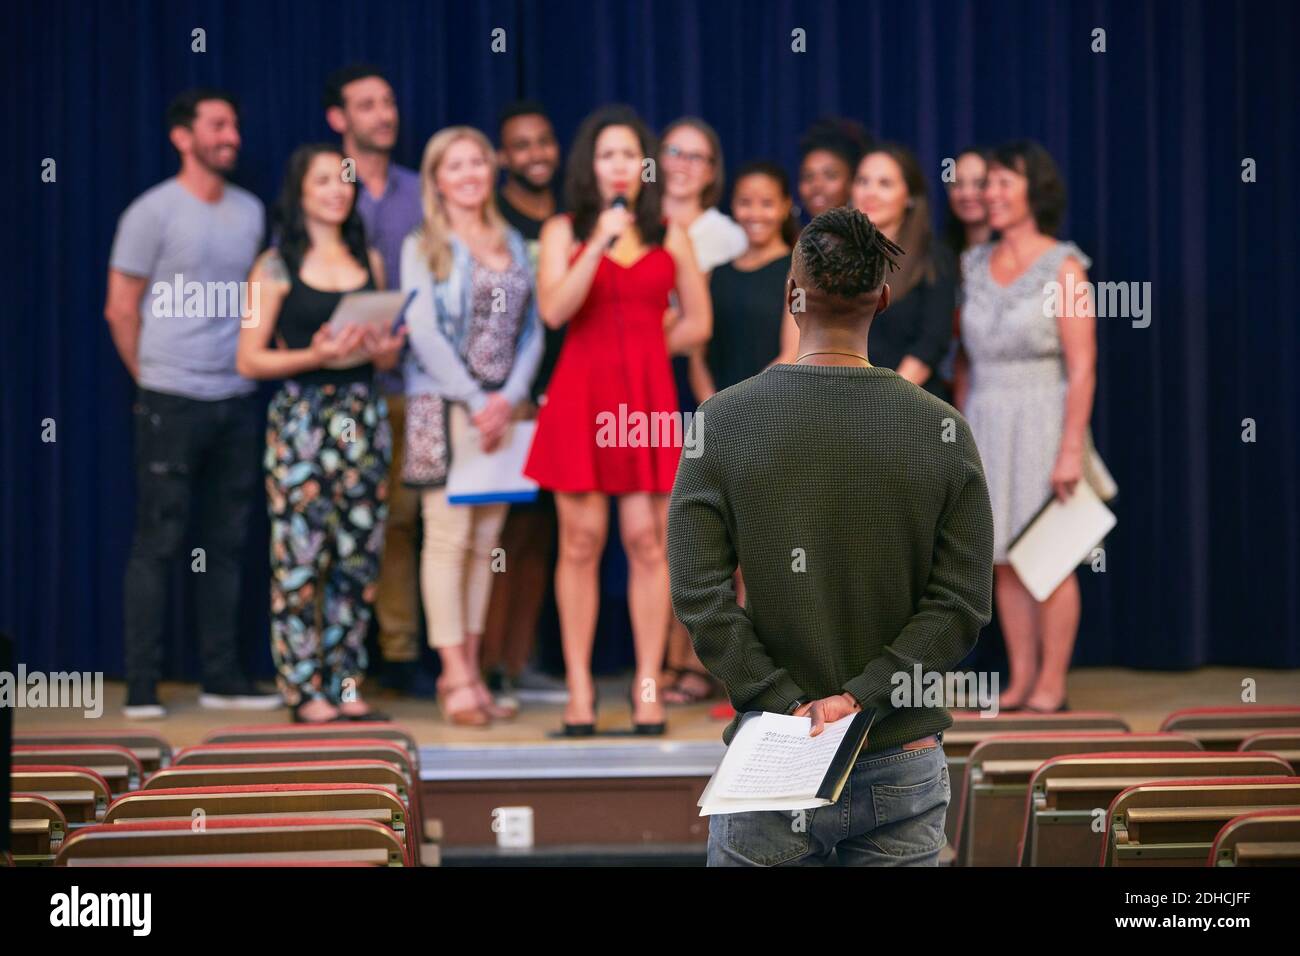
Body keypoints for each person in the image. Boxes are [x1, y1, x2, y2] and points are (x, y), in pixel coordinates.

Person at [668, 206, 994, 866]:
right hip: (899, 757)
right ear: (884, 296)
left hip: (773, 759)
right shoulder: (943, 429)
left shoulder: (720, 421)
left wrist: (785, 704)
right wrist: (860, 699)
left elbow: (700, 597)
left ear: (792, 296)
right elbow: (959, 606)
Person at [523, 104, 711, 736]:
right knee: (580, 542)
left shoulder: (671, 232)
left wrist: (650, 345)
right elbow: (555, 310)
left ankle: (646, 686)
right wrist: (598, 242)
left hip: (648, 400)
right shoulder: (562, 230)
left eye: (630, 154)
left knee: (647, 542)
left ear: (645, 165)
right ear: (591, 166)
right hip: (580, 395)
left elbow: (698, 321)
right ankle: (579, 689)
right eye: (607, 155)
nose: (620, 165)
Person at [106, 88, 280, 718]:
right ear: (183, 136)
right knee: (158, 540)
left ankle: (223, 677)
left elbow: (260, 298)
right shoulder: (151, 212)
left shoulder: (251, 211)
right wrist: (153, 378)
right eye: (217, 124)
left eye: (234, 123)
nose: (231, 134)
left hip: (235, 397)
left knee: (228, 541)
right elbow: (121, 307)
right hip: (170, 399)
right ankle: (143, 686)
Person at [237, 143, 406, 724]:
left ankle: (347, 682)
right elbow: (249, 360)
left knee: (357, 559)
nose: (338, 190)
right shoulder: (276, 262)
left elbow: (382, 354)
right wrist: (314, 353)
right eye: (323, 181)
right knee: (300, 559)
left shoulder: (369, 258)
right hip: (303, 419)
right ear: (300, 191)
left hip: (363, 415)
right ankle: (303, 687)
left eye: (345, 180)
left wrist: (383, 350)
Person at [400, 127, 543, 726]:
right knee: (447, 539)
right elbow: (423, 330)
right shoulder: (423, 244)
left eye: (476, 163)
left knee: (487, 547)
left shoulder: (511, 238)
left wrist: (507, 399)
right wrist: (473, 398)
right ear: (436, 178)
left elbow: (534, 329)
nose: (467, 174)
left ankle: (477, 670)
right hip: (445, 406)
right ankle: (453, 674)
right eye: (453, 165)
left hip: (502, 414)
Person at [955, 140, 1096, 714]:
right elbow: (962, 362)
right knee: (1002, 556)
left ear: (1032, 190)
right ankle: (1021, 677)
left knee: (1050, 555)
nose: (990, 193)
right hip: (986, 414)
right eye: (986, 183)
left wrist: (1070, 451)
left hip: (1043, 414)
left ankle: (1051, 684)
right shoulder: (970, 263)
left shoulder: (1063, 264)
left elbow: (1083, 366)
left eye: (1002, 182)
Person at [663, 160, 799, 708]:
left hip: (773, 423)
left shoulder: (796, 270)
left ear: (786, 206)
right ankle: (700, 668)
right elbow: (698, 351)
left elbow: (792, 353)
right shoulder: (716, 272)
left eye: (768, 202)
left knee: (762, 554)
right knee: (712, 551)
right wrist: (711, 407)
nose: (756, 213)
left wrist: (746, 412)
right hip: (714, 422)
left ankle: (761, 680)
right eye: (746, 202)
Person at [323, 64, 429, 697]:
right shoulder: (323, 184)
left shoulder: (421, 191)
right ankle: (335, 660)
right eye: (367, 104)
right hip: (335, 385)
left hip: (411, 382)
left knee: (401, 521)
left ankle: (398, 652)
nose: (383, 115)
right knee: (335, 522)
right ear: (339, 118)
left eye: (388, 102)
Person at [480, 100, 568, 705]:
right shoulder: (496, 218)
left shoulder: (570, 217)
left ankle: (523, 658)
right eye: (521, 144)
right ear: (502, 156)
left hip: (572, 389)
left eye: (544, 141)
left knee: (545, 531)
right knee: (499, 531)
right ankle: (488, 663)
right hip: (513, 394)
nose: (535, 154)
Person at [850, 143, 956, 401]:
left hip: (909, 404)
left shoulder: (932, 257)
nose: (870, 192)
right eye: (863, 181)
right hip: (844, 404)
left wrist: (884, 402)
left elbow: (931, 344)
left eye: (885, 183)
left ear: (909, 197)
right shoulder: (836, 254)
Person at [796, 117, 873, 222]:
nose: (817, 185)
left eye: (830, 176)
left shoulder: (869, 236)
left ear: (853, 181)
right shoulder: (799, 238)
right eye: (808, 177)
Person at [944, 147, 991, 258]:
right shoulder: (938, 257)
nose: (967, 194)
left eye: (980, 184)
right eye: (957, 184)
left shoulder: (1020, 254)